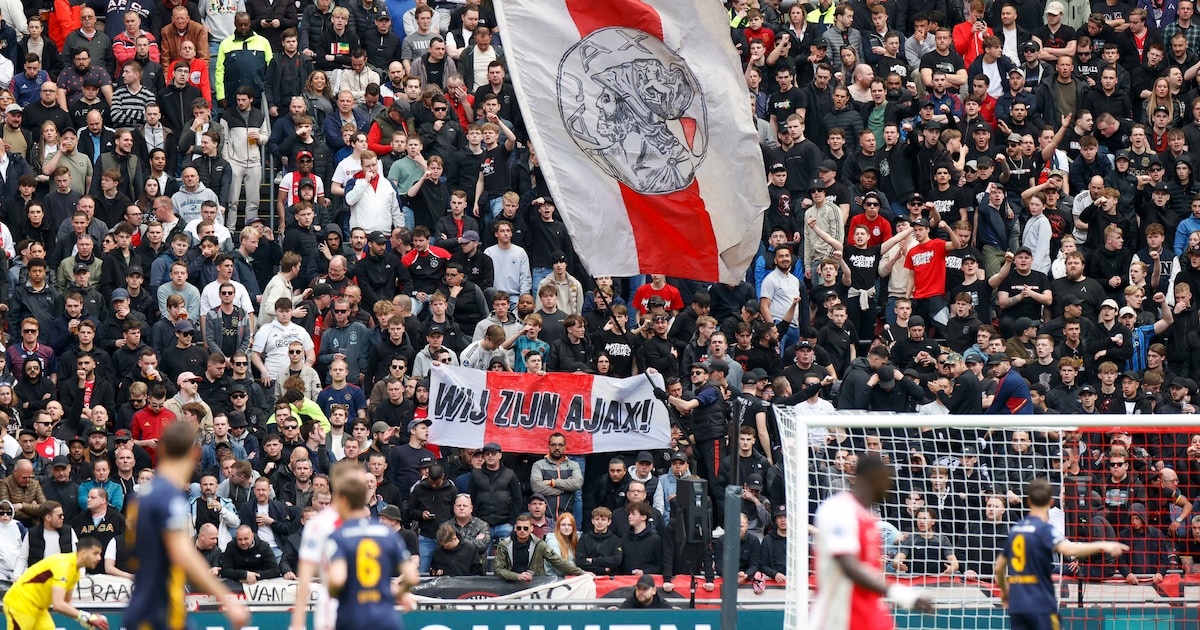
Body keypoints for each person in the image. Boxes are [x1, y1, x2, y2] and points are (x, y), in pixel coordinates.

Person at [121, 421, 249, 630]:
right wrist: (226, 599)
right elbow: (181, 552)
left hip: (141, 601)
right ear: (195, 454)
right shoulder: (169, 497)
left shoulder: (142, 496)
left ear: (161, 450)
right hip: (161, 608)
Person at [811, 454, 933, 628]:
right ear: (873, 478)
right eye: (886, 479)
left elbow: (870, 572)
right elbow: (849, 567)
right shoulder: (839, 510)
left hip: (868, 612)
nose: (889, 486)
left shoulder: (869, 519)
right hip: (840, 617)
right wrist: (897, 592)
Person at [995, 479, 1129, 629]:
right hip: (1039, 598)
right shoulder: (1044, 529)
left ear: (1029, 501)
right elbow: (1070, 549)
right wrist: (1103, 544)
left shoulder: (1016, 529)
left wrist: (1005, 592)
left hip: (1019, 600)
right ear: (1051, 501)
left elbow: (999, 567)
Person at [324, 462, 418, 630]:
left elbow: (337, 579)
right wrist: (395, 593)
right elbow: (411, 576)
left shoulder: (339, 535)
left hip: (352, 618)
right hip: (386, 619)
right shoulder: (386, 533)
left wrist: (332, 591)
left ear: (342, 500)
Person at [2, 538, 108, 630]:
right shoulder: (64, 565)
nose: (99, 558)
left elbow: (66, 603)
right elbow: (58, 605)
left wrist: (83, 620)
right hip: (20, 603)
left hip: (39, 608)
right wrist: (88, 617)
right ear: (83, 553)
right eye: (95, 553)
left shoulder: (75, 572)